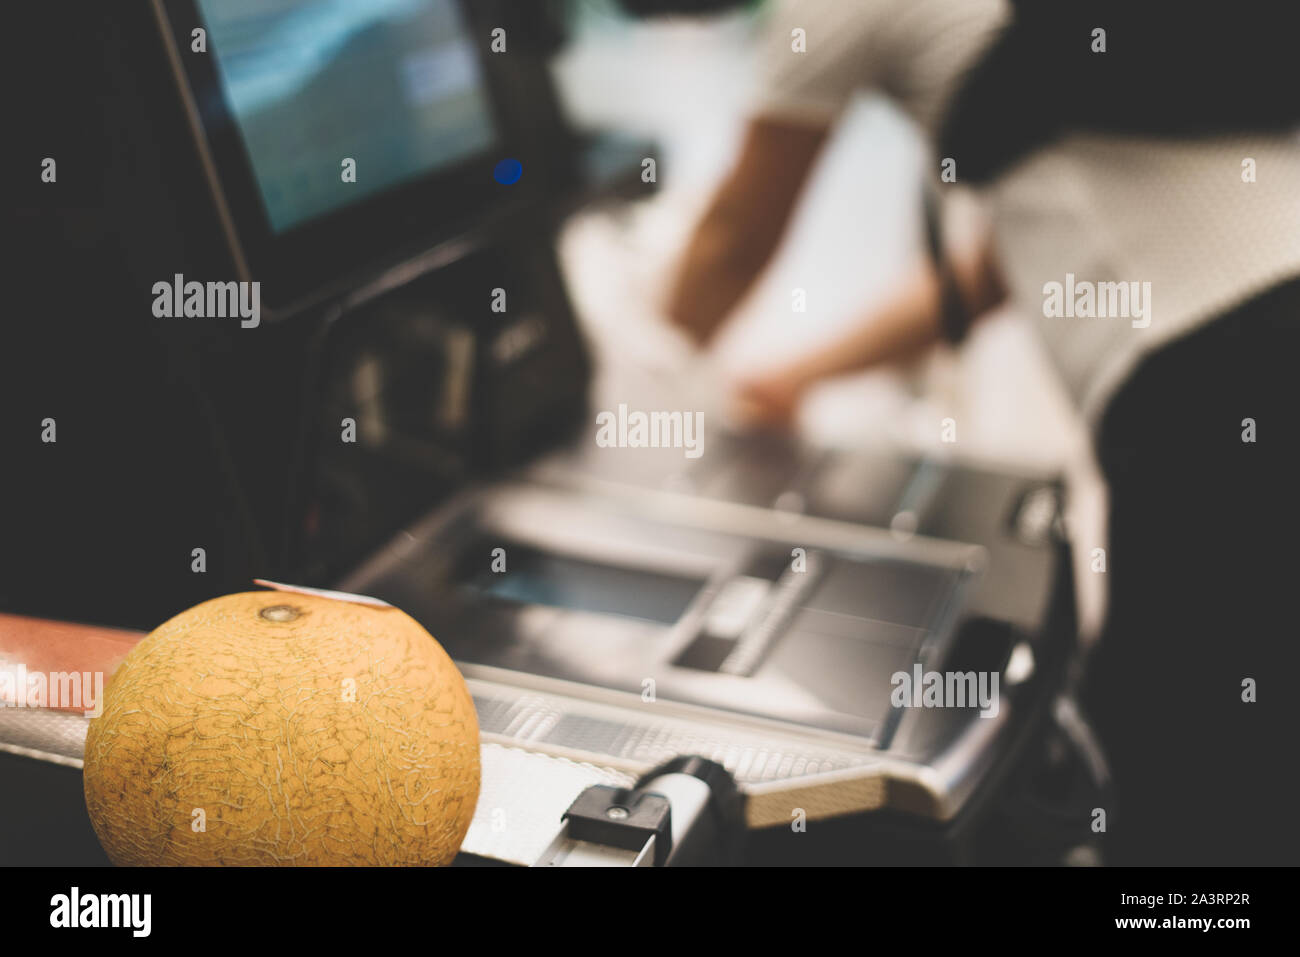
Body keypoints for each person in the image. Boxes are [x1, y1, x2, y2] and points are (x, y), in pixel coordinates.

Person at [625, 0, 1300, 864]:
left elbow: (737, 236)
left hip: (1225, 389)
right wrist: (797, 376)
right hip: (1243, 364)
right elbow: (995, 268)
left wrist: (628, 389)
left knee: (1177, 781)